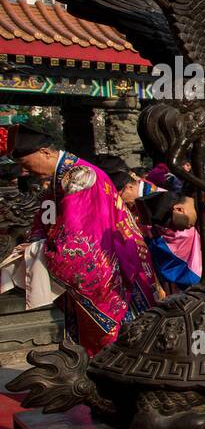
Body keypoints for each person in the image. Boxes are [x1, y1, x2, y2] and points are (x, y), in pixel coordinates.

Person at [6, 125, 155, 353]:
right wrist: (35, 241)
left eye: (27, 165)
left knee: (122, 336)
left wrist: (41, 248)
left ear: (45, 152)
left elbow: (76, 234)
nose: (26, 172)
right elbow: (44, 218)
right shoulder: (60, 177)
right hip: (116, 252)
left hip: (112, 259)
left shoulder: (79, 176)